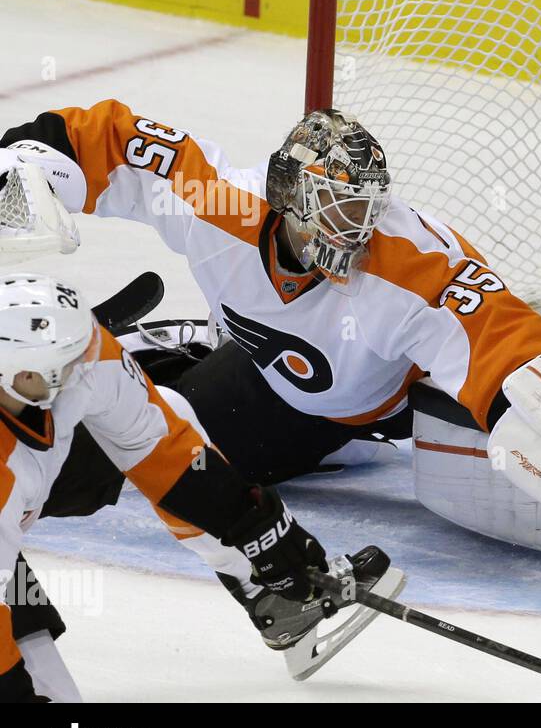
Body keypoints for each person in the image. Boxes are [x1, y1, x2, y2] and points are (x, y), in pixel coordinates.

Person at [0, 99, 541, 595]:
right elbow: (100, 137)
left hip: (405, 402)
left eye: (365, 208)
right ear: (285, 196)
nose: (353, 229)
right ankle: (177, 356)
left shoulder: (412, 261)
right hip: (275, 389)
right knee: (87, 470)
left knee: (516, 461)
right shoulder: (214, 198)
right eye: (333, 208)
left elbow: (510, 353)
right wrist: (26, 164)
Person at [0, 273, 332, 701]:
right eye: (66, 360)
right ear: (21, 375)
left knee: (169, 407)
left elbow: (159, 444)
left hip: (21, 486)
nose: (89, 358)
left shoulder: (79, 357)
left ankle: (260, 590)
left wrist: (253, 525)